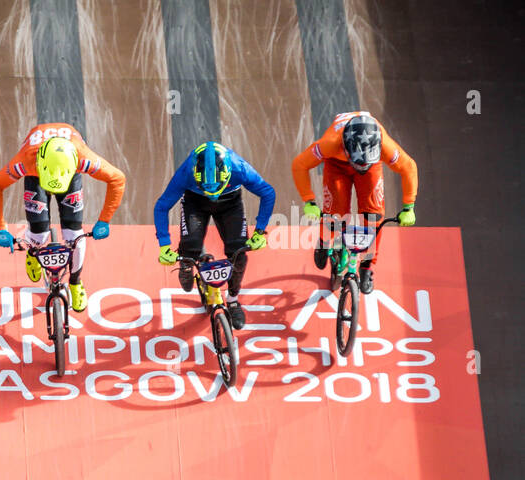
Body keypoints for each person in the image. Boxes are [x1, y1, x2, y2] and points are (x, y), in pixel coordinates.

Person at [0, 123, 125, 313]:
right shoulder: (26, 161)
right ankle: (33, 251)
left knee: (74, 233)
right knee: (39, 233)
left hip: (69, 175)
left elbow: (117, 179)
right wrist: (0, 228)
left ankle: (75, 282)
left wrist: (104, 220)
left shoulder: (83, 159)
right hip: (36, 176)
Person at [291, 111, 417, 293]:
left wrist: (409, 206)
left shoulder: (384, 146)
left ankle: (367, 266)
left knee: (374, 216)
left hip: (373, 164)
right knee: (335, 214)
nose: (360, 168)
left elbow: (409, 167)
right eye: (358, 164)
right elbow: (299, 164)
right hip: (337, 165)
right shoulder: (330, 144)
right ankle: (324, 240)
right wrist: (309, 200)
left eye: (364, 164)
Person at [154, 141, 276, 330]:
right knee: (191, 246)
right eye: (209, 192)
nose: (213, 196)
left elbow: (268, 192)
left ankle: (233, 299)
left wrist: (260, 231)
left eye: (215, 192)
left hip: (230, 203)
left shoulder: (238, 168)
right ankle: (187, 264)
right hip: (195, 202)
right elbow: (162, 206)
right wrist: (164, 244)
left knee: (238, 253)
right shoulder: (187, 172)